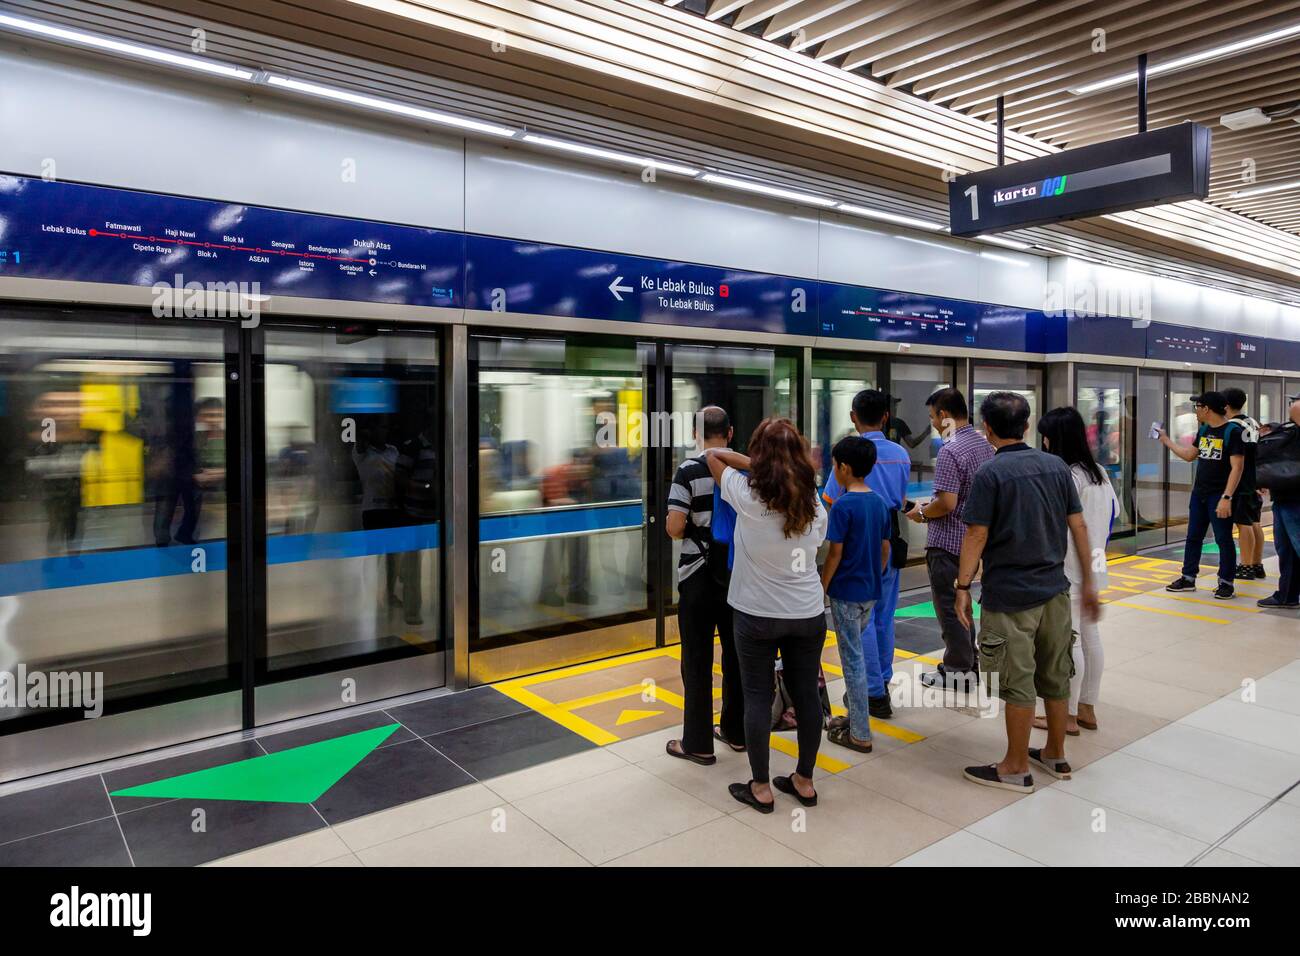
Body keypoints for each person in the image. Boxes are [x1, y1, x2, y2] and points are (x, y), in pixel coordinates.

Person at [955, 392, 1100, 793]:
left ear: (987, 429)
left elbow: (976, 533)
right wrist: (1088, 582)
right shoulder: (1056, 467)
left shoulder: (991, 474)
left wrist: (963, 586)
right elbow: (1079, 526)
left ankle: (1015, 766)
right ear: (1026, 423)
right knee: (1055, 674)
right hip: (1055, 590)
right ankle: (1055, 752)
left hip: (1010, 595)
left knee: (1016, 680)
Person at [703, 418, 828, 813]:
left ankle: (760, 787)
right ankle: (804, 780)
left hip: (756, 614)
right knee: (807, 695)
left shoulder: (747, 494)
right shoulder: (814, 500)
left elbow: (712, 455)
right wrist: (789, 466)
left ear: (758, 455)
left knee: (758, 698)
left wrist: (758, 464)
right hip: (807, 613)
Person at [664, 406, 745, 765]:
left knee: (697, 660)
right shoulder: (743, 468)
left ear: (697, 434)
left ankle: (697, 743)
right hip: (737, 574)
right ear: (729, 433)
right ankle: (737, 732)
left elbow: (675, 527)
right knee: (737, 655)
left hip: (697, 576)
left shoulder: (688, 470)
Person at [822, 389, 909, 719]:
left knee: (861, 618)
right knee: (885, 614)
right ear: (886, 417)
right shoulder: (900, 453)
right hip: (889, 534)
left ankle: (871, 691)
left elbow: (830, 500)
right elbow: (899, 501)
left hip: (856, 541)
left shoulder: (850, 455)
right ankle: (882, 681)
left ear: (852, 416)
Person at [1032, 407, 1118, 736]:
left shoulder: (1066, 474)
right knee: (1090, 636)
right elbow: (1114, 513)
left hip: (1069, 564)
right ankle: (1087, 708)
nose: (1044, 441)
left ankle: (1066, 716)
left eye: (1047, 436)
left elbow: (1054, 520)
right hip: (1095, 560)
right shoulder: (1098, 471)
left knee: (1071, 641)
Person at [907, 387, 993, 689]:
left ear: (944, 415)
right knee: (964, 604)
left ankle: (958, 671)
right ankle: (969, 662)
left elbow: (946, 503)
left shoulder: (950, 449)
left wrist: (920, 514)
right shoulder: (984, 445)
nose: (932, 423)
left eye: (933, 417)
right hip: (973, 543)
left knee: (949, 607)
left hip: (947, 543)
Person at [820, 435, 891, 753]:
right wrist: (876, 574)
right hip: (870, 591)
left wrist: (822, 586)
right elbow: (884, 548)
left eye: (834, 465)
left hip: (845, 592)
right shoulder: (879, 502)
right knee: (856, 656)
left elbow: (835, 553)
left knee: (852, 661)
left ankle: (860, 733)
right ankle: (854, 715)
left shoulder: (843, 505)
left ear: (844, 468)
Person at [1158, 391, 1245, 600]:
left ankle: (1226, 583)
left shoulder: (1233, 431)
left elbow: (1237, 467)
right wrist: (1166, 440)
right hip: (1200, 494)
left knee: (1223, 539)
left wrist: (1227, 497)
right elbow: (1190, 455)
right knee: (1193, 537)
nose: (1195, 411)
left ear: (1206, 409)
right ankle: (1188, 578)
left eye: (1197, 407)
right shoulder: (1204, 430)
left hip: (1219, 495)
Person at [1258, 393, 1300, 611]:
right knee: (1286, 550)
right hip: (1284, 497)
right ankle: (1287, 595)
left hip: (1296, 500)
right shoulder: (1291, 432)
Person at [1222, 388, 1265, 582]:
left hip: (1242, 481)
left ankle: (1246, 565)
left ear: (1226, 405)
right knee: (1255, 522)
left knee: (1244, 524)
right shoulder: (1252, 422)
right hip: (1254, 479)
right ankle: (1257, 564)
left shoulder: (1232, 426)